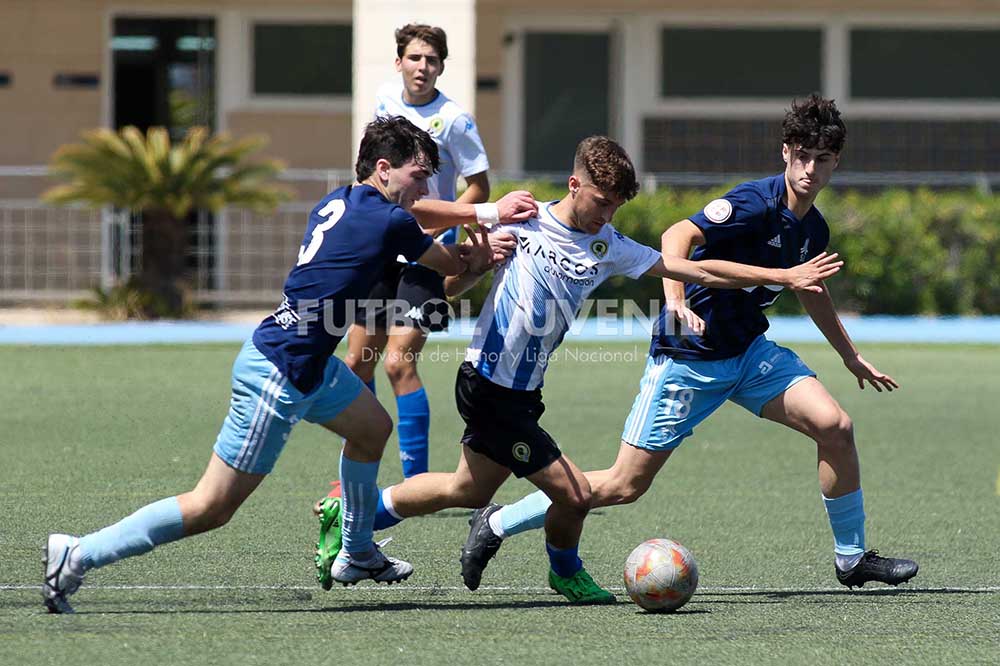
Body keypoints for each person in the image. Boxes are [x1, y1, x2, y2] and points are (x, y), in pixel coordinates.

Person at [315, 135, 843, 602]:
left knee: (466, 490)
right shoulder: (523, 220)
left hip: (522, 391)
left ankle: (355, 514)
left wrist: (780, 276)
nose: (606, 215)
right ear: (574, 185)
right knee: (575, 493)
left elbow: (697, 268)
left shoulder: (608, 245)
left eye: (615, 206)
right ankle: (566, 573)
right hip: (488, 385)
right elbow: (429, 244)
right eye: (600, 201)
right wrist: (476, 254)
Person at [40, 115, 529, 614]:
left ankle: (357, 552)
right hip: (281, 370)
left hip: (309, 364)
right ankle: (78, 553)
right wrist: (483, 245)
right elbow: (449, 267)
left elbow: (433, 281)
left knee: (371, 429)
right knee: (211, 506)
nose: (425, 188)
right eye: (419, 175)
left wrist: (473, 258)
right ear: (383, 169)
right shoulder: (390, 221)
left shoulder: (339, 202)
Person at [462, 95, 919, 593]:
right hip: (690, 358)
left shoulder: (813, 226)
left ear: (836, 162)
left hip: (749, 354)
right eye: (803, 156)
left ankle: (852, 559)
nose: (810, 169)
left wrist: (850, 356)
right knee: (624, 485)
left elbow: (808, 286)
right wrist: (676, 302)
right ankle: (498, 521)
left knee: (835, 426)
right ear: (786, 152)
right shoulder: (752, 203)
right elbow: (676, 234)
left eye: (822, 159)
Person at [341, 23, 493, 482]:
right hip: (381, 248)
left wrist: (436, 225)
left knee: (398, 362)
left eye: (431, 60)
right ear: (399, 62)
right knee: (357, 364)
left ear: (441, 67)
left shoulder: (455, 120)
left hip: (427, 252)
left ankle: (416, 484)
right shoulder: (385, 102)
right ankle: (357, 474)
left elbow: (480, 188)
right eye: (414, 57)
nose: (422, 67)